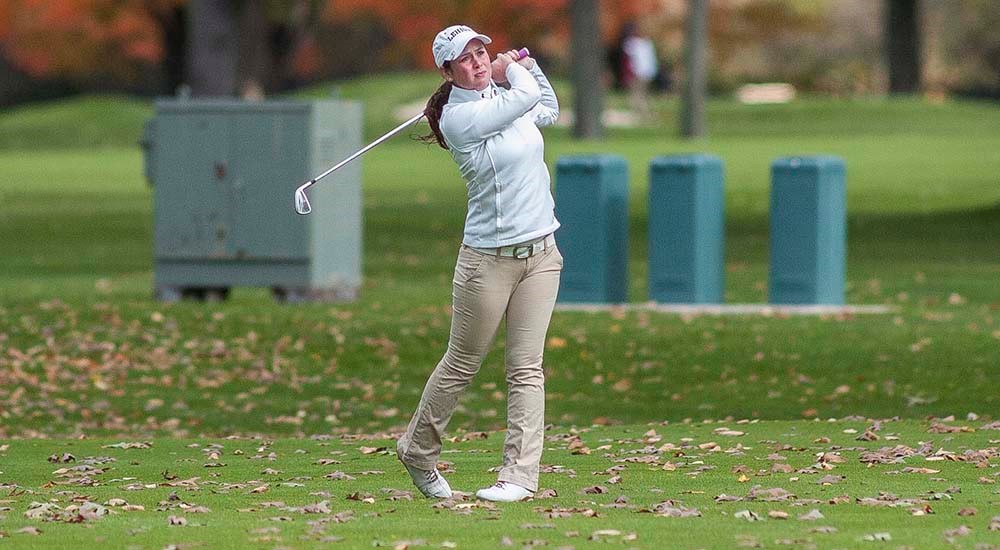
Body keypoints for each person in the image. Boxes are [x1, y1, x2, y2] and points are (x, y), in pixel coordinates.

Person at [395, 24, 563, 503]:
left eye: (481, 51)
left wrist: (527, 67)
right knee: (461, 365)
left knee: (527, 369)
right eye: (465, 58)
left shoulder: (506, 98)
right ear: (448, 72)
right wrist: (515, 70)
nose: (478, 60)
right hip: (487, 262)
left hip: (541, 255)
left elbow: (545, 107)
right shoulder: (461, 119)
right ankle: (418, 451)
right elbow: (523, 98)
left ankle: (519, 476)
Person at [620, 22, 659, 119]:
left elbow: (629, 58)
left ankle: (641, 114)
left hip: (638, 71)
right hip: (647, 71)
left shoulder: (632, 43)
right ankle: (645, 113)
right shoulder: (647, 43)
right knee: (643, 93)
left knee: (637, 93)